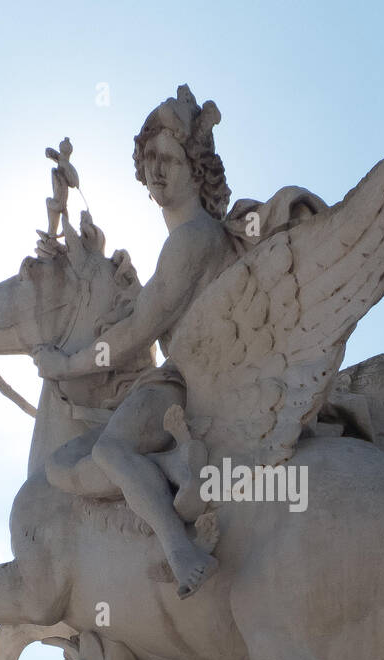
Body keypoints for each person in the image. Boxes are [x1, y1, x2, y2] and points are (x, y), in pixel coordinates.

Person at [39, 86, 237, 597]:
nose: (156, 169)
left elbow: (135, 334)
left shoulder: (194, 238)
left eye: (169, 158)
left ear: (197, 168)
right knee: (62, 465)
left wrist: (65, 366)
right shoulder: (187, 239)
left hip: (186, 383)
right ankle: (173, 467)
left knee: (110, 450)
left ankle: (179, 550)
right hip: (180, 378)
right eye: (148, 158)